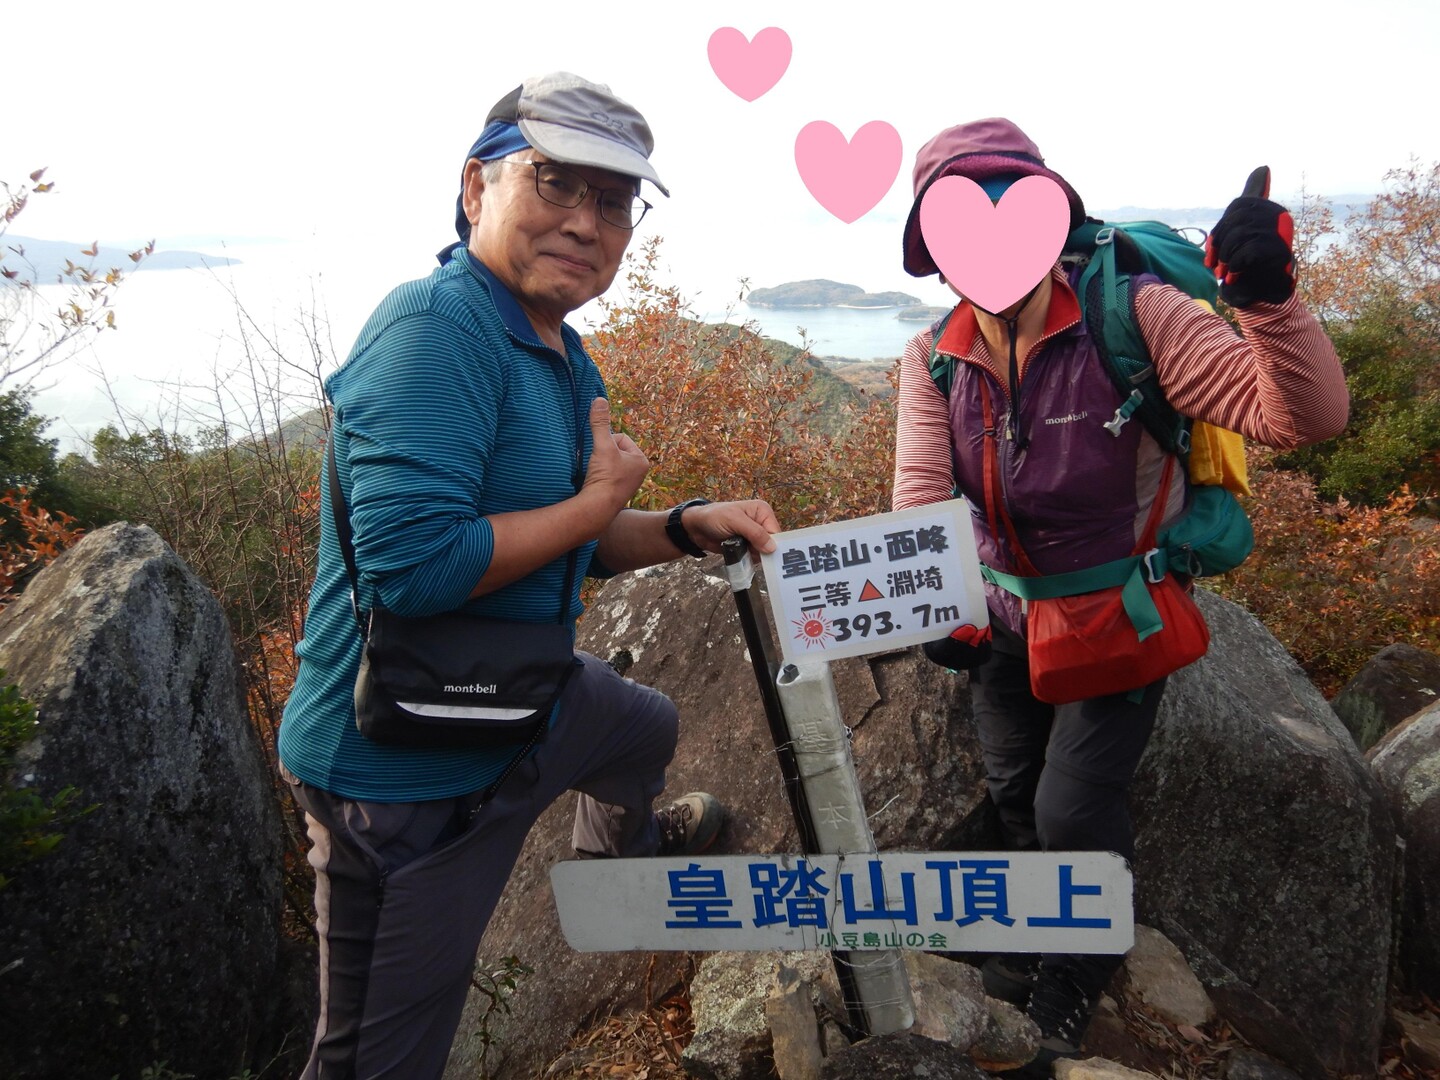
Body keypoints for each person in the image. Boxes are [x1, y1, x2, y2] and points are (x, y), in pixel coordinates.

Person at [276, 71, 780, 1079]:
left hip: (518, 694)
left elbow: (570, 540)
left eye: (614, 202)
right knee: (380, 1057)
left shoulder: (556, 348)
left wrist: (682, 525)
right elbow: (418, 568)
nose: (587, 222)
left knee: (643, 726)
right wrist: (594, 506)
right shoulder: (436, 329)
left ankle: (618, 854)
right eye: (556, 182)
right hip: (403, 761)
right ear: (477, 188)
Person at [891, 118, 1348, 1076]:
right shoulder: (934, 355)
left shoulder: (1136, 316)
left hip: (1119, 609)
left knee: (1070, 805)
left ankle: (1079, 967)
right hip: (1004, 617)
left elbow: (1299, 416)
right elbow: (922, 495)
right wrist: (940, 604)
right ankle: (1038, 928)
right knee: (1015, 792)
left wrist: (1267, 301)